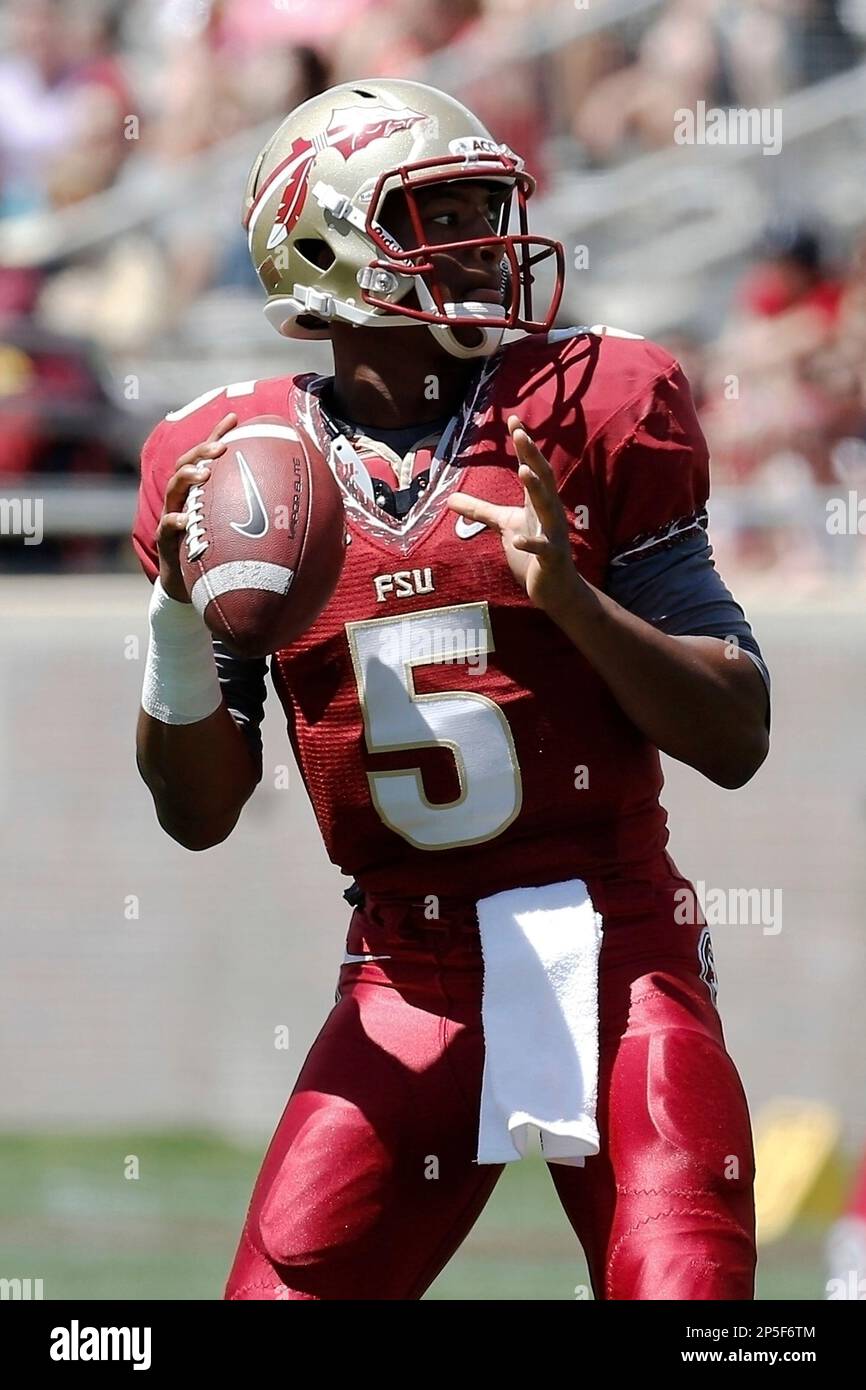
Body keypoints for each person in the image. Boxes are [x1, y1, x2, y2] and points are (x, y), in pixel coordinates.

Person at [132, 77, 770, 1301]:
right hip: (406, 975)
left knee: (688, 1294)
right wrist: (173, 613)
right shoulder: (240, 467)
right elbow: (196, 814)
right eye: (440, 211)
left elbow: (734, 732)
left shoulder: (589, 409)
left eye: (489, 202)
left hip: (620, 949)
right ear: (317, 246)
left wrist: (576, 604)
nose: (485, 239)